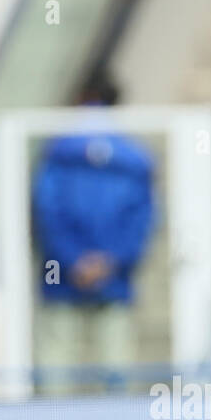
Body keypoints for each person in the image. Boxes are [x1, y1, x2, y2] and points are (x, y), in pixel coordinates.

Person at [31, 74, 155, 394]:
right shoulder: (134, 156)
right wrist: (111, 260)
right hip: (113, 279)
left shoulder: (56, 152)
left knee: (57, 371)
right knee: (116, 370)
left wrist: (72, 260)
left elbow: (47, 211)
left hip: (61, 278)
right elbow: (141, 218)